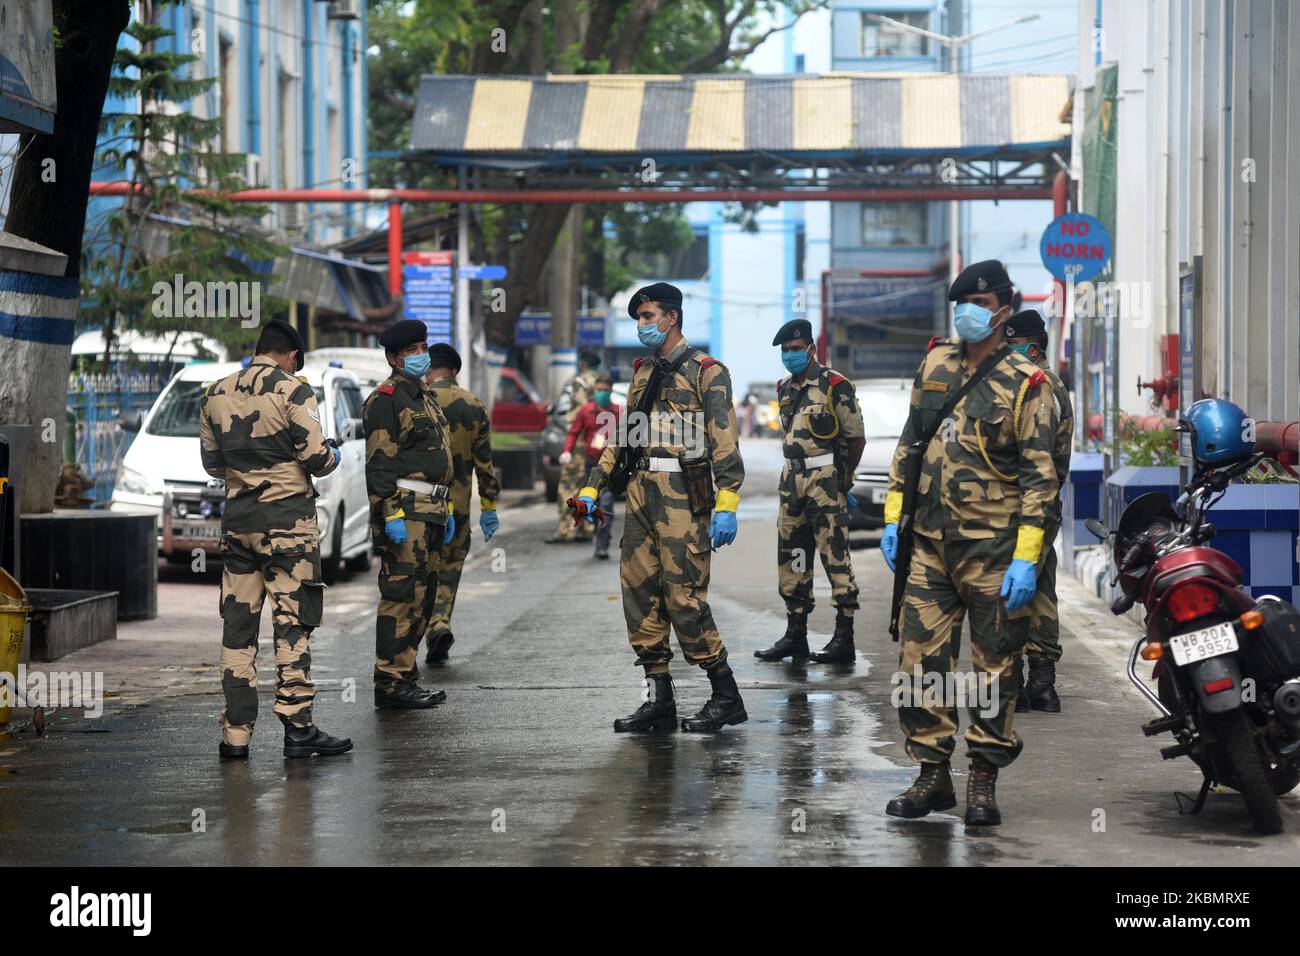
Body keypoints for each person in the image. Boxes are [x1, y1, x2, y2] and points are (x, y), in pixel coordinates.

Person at [881, 260, 1059, 826]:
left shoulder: (1028, 382)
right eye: (962, 305)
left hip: (995, 551)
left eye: (979, 305)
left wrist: (1028, 558)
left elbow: (1040, 479)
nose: (969, 314)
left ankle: (983, 777)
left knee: (993, 670)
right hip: (930, 545)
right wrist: (894, 517)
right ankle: (931, 773)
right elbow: (910, 443)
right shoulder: (936, 363)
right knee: (918, 664)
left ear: (1003, 309)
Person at [575, 282, 747, 733]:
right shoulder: (643, 373)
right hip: (640, 493)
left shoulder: (707, 372)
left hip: (683, 496)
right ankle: (659, 700)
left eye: (648, 316)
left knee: (683, 597)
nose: (642, 324)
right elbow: (624, 435)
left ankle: (726, 696)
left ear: (672, 318)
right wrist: (592, 487)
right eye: (638, 317)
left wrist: (727, 502)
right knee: (639, 593)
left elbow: (724, 440)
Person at [198, 319, 352, 759]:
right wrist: (334, 453)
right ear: (292, 355)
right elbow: (317, 459)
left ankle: (236, 735)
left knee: (238, 630)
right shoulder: (294, 390)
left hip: (238, 527)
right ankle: (299, 729)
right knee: (292, 624)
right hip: (288, 530)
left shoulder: (213, 393)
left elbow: (212, 464)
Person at [755, 318, 866, 664]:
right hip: (792, 481)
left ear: (811, 349)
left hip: (825, 480)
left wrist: (843, 481)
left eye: (795, 349)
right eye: (785, 351)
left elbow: (855, 438)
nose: (790, 355)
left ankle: (844, 636)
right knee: (794, 555)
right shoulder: (784, 388)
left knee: (834, 556)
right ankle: (795, 635)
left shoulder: (835, 385)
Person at [364, 320, 457, 709]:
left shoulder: (424, 396)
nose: (421, 355)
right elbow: (379, 463)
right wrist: (390, 514)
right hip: (406, 511)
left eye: (423, 348)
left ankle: (405, 676)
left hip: (432, 510)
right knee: (401, 597)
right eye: (412, 351)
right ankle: (389, 682)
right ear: (393, 358)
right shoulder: (386, 399)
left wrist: (448, 507)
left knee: (423, 598)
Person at [1004, 310, 1073, 712]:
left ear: (1032, 348)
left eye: (1013, 346)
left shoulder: (1040, 387)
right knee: (1041, 589)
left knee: (1014, 590)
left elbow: (1038, 457)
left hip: (1031, 505)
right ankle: (1042, 685)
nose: (1007, 353)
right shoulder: (1042, 383)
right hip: (1039, 504)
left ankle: (1016, 683)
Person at [421, 343, 500, 666]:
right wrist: (489, 506)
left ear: (429, 369)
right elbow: (485, 464)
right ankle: (439, 622)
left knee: (422, 571)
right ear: (455, 370)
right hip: (460, 508)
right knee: (449, 569)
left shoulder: (419, 400)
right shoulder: (473, 405)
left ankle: (419, 631)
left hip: (420, 506)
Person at [562, 371, 621, 560]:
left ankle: (602, 545)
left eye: (605, 390)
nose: (601, 392)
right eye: (599, 389)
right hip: (592, 465)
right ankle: (599, 530)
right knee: (592, 504)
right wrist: (567, 451)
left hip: (611, 467)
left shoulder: (619, 412)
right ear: (594, 390)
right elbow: (573, 432)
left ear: (611, 391)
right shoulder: (585, 411)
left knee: (607, 503)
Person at [547, 350, 602, 544]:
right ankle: (586, 528)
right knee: (588, 485)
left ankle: (566, 530)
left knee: (568, 485)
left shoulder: (580, 382)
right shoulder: (601, 382)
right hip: (596, 441)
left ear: (582, 364)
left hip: (579, 441)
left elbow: (579, 411)